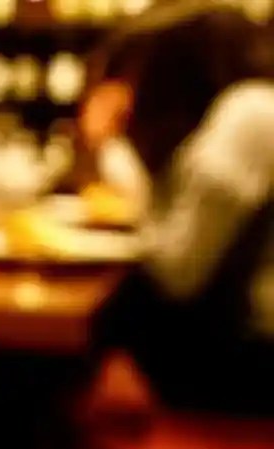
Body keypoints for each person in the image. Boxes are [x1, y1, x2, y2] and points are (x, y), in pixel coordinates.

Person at [82, 0, 274, 414]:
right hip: (242, 345)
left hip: (256, 358)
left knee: (93, 331)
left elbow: (176, 272)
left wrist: (110, 145)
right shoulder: (245, 111)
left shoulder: (250, 114)